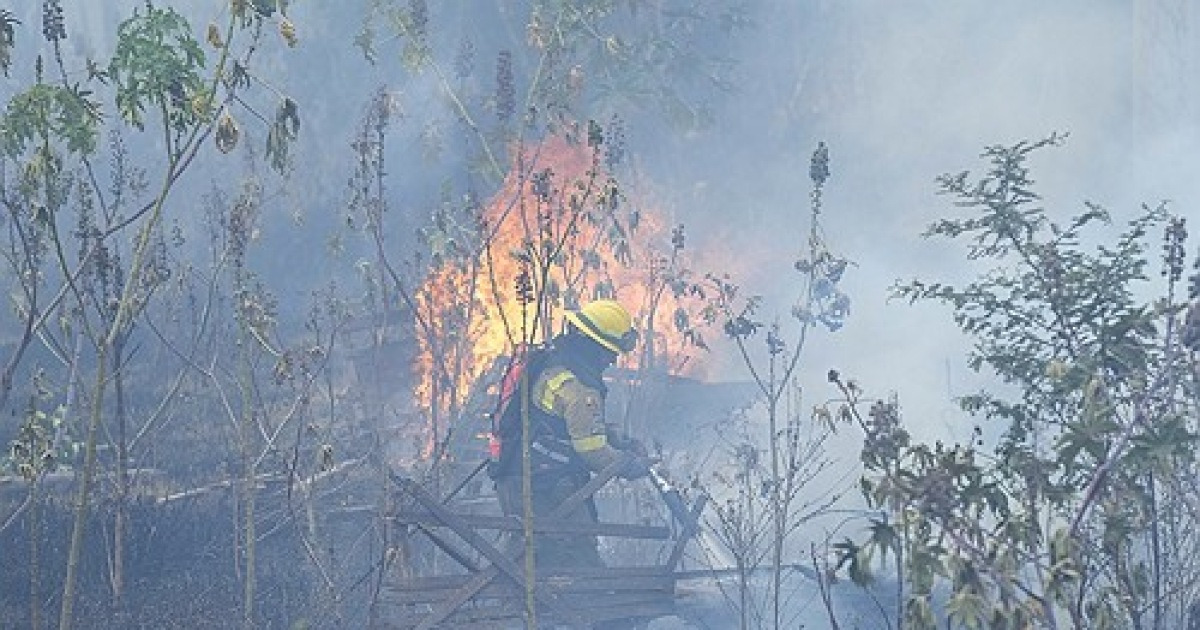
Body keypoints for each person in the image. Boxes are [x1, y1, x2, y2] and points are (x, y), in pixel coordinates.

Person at [490, 299, 652, 569]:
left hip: (515, 475)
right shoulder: (579, 386)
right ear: (594, 346)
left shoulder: (551, 362)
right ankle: (583, 610)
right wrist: (631, 466)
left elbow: (556, 422)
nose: (612, 360)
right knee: (577, 557)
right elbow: (592, 452)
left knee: (530, 558)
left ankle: (522, 609)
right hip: (545, 485)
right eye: (610, 352)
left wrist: (612, 436)